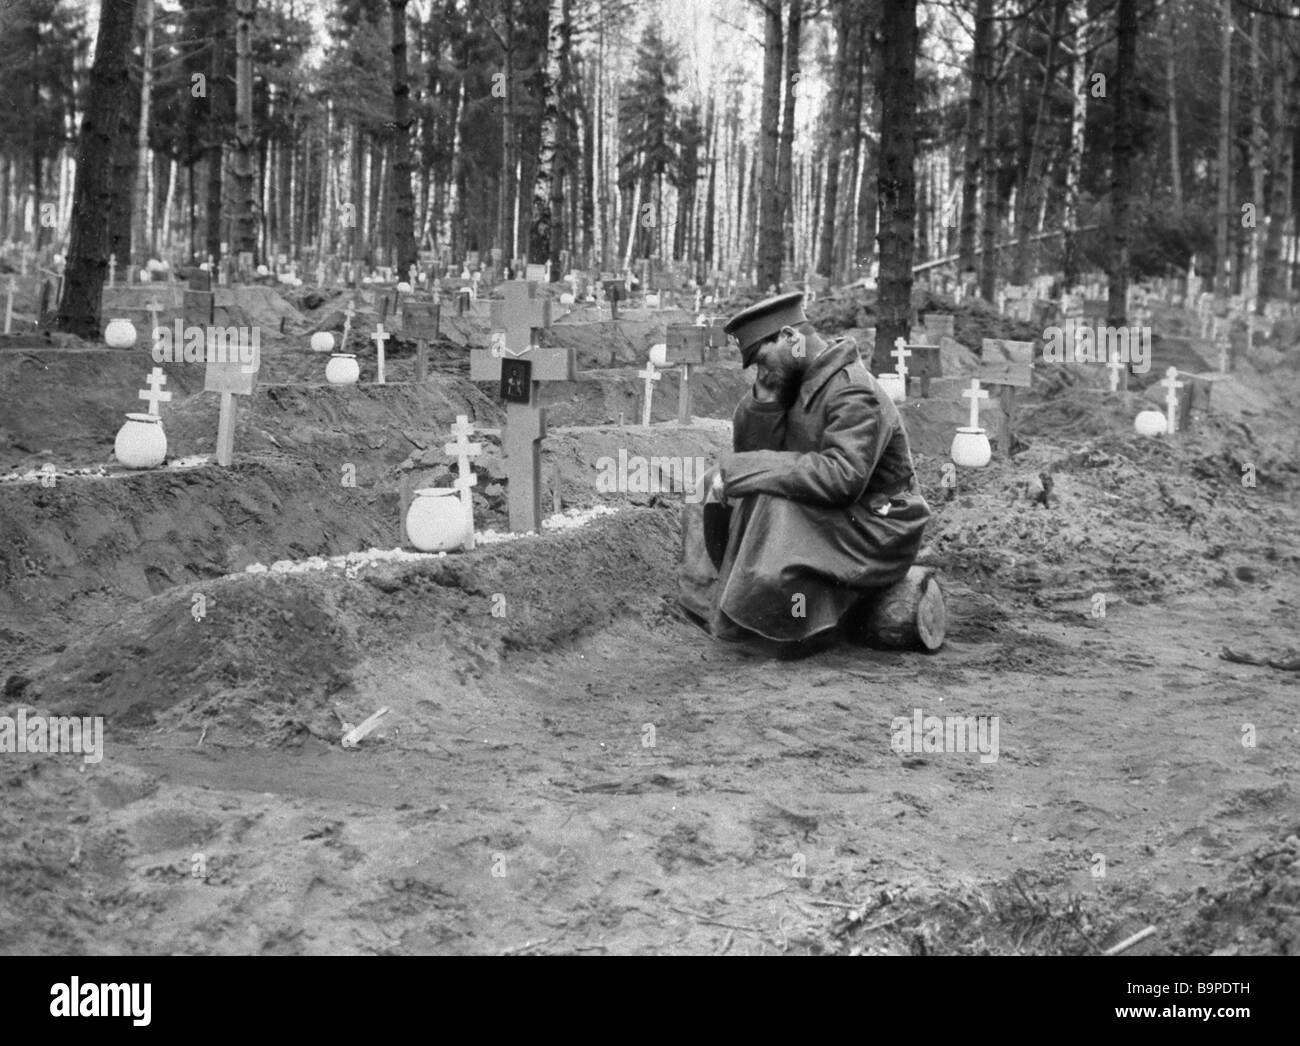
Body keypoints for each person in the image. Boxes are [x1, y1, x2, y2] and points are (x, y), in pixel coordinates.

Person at [679, 291, 931, 650]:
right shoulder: (795, 379)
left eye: (763, 360)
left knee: (771, 502)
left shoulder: (854, 392)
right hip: (838, 514)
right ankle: (720, 607)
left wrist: (746, 470)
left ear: (790, 338)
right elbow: (755, 454)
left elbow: (842, 478)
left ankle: (795, 626)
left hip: (878, 525)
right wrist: (764, 402)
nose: (762, 371)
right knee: (709, 485)